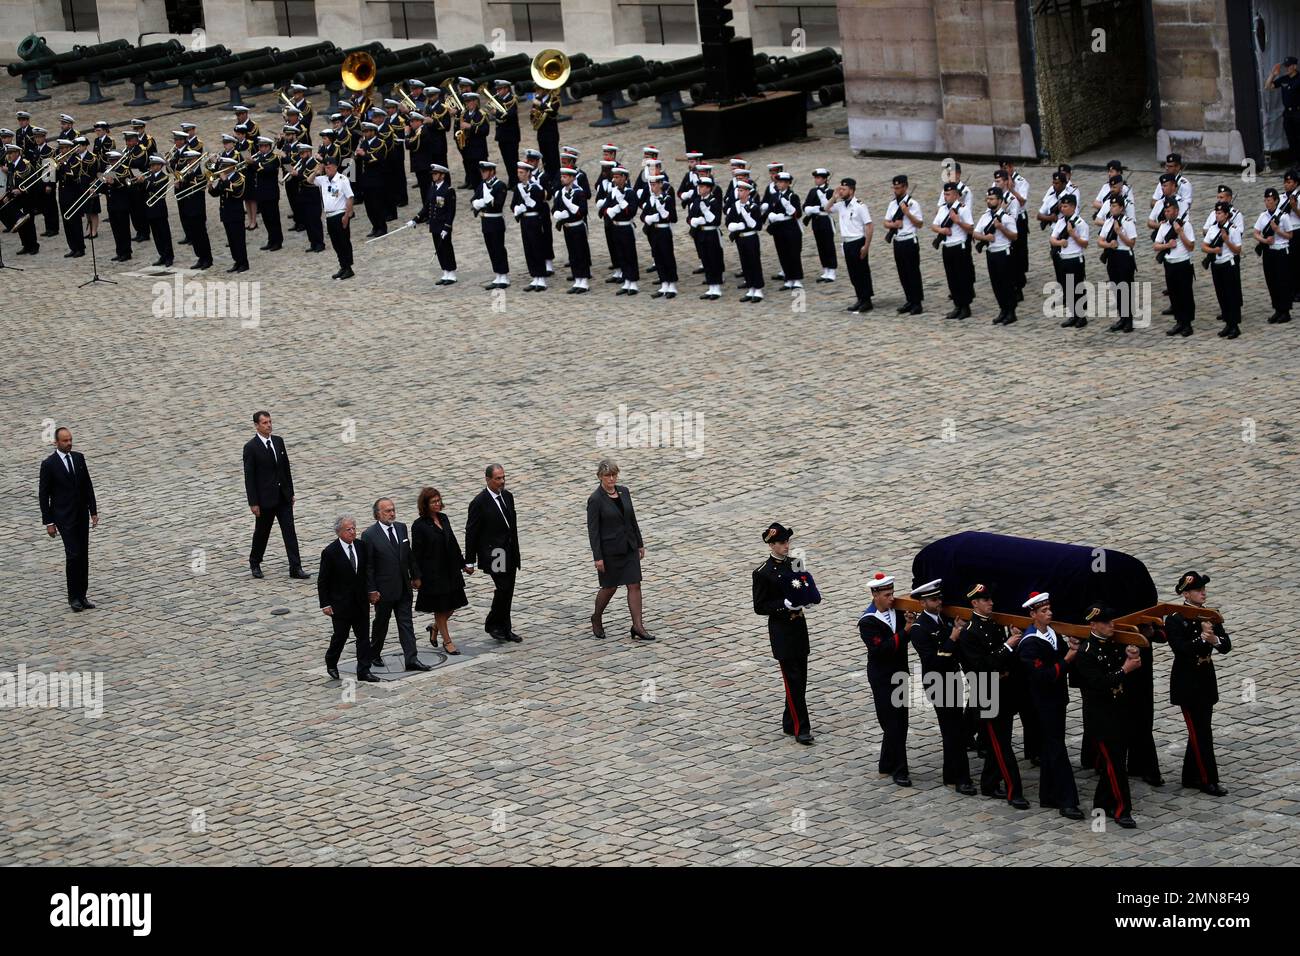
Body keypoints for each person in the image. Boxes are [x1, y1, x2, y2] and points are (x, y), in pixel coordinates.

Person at [956, 583, 1029, 809]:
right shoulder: (969, 634)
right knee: (1001, 745)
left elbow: (1005, 661)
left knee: (999, 741)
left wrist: (1011, 645)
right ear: (974, 603)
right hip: (986, 694)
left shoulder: (996, 626)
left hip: (1003, 691)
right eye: (985, 600)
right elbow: (979, 667)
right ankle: (1013, 790)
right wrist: (1007, 646)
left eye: (990, 599)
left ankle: (989, 783)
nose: (991, 603)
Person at [1073, 603, 1140, 828]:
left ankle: (1101, 802)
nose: (1111, 625)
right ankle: (1122, 809)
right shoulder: (1086, 653)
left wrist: (1131, 657)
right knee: (1116, 765)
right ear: (1093, 625)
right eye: (1105, 623)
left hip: (1118, 711)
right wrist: (1125, 669)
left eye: (1112, 621)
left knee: (1117, 760)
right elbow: (1099, 684)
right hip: (1101, 717)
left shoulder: (1112, 644)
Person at [1017, 591, 1083, 819]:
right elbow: (1043, 676)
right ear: (1033, 614)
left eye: (1049, 609)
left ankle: (1048, 795)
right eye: (1044, 611)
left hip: (1057, 699)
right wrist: (1067, 658)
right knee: (1056, 749)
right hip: (1042, 703)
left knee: (1050, 747)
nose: (1049, 613)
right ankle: (1067, 800)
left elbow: (1061, 654)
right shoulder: (1029, 644)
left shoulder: (1052, 633)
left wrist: (1070, 650)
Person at [905, 579, 975, 795]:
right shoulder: (919, 629)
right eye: (934, 599)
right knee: (952, 731)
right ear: (923, 603)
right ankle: (961, 778)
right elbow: (934, 661)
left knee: (954, 729)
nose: (939, 602)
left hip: (952, 679)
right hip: (937, 683)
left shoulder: (944, 620)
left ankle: (951, 775)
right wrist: (953, 637)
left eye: (940, 598)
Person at [1165, 571, 1231, 796]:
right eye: (1197, 590)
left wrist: (1214, 640)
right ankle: (1207, 780)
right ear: (1185, 593)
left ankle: (1189, 775)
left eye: (1203, 589)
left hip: (1206, 680)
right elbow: (1180, 649)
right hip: (1187, 683)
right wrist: (1201, 638)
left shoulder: (1210, 615)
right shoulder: (1175, 618)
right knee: (1201, 732)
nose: (1203, 593)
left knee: (1201, 729)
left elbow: (1226, 646)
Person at [752, 522, 818, 745]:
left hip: (798, 627)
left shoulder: (796, 564)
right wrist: (783, 604)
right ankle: (802, 727)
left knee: (801, 678)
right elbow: (760, 606)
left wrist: (807, 599)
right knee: (793, 680)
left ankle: (789, 722)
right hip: (782, 631)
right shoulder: (763, 573)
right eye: (781, 542)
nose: (786, 546)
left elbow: (805, 584)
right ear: (771, 545)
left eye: (787, 541)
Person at [361, 498, 431, 672]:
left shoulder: (401, 528)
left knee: (406, 623)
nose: (392, 513)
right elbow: (368, 566)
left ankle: (411, 658)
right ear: (377, 514)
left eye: (393, 510)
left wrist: (415, 576)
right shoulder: (369, 535)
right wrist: (371, 589)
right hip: (383, 590)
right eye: (387, 511)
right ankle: (374, 652)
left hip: (403, 586)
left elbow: (408, 555)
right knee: (381, 624)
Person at [586, 459, 651, 642]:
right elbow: (593, 531)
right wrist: (598, 557)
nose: (612, 479)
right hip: (610, 551)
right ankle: (596, 616)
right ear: (600, 477)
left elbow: (632, 519)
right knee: (610, 587)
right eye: (608, 476)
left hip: (629, 546)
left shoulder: (624, 491)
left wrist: (639, 542)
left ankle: (638, 626)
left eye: (614, 475)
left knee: (634, 584)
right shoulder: (595, 500)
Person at [858, 572, 911, 787]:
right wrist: (906, 630)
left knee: (901, 722)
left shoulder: (897, 611)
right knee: (891, 723)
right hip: (882, 678)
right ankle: (900, 770)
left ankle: (887, 762)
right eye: (887, 594)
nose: (891, 598)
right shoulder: (868, 621)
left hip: (900, 673)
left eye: (892, 593)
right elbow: (882, 649)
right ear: (875, 594)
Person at [38, 426, 99, 612]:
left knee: (83, 555)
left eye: (70, 439)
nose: (69, 443)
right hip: (63, 518)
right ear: (56, 442)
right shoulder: (49, 464)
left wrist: (93, 511)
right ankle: (73, 597)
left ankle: (83, 595)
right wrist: (49, 522)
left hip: (81, 515)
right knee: (73, 555)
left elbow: (87, 485)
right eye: (65, 440)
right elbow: (43, 495)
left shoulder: (79, 458)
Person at [243, 410, 309, 580]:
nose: (269, 425)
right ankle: (255, 561)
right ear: (257, 425)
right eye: (264, 423)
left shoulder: (278, 442)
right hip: (265, 500)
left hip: (283, 497)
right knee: (262, 532)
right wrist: (253, 502)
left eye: (270, 421)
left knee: (290, 532)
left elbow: (286, 469)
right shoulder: (251, 448)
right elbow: (249, 478)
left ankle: (295, 567)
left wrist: (291, 492)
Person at [317, 516, 380, 683]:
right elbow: (323, 580)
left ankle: (364, 670)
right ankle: (331, 661)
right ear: (339, 532)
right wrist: (325, 604)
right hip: (341, 604)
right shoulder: (330, 552)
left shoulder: (361, 546)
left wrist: (372, 590)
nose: (353, 532)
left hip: (360, 602)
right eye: (349, 529)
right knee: (340, 636)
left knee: (363, 638)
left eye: (354, 528)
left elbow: (367, 571)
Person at [464, 463, 522, 643]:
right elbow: (471, 532)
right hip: (495, 552)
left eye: (503, 477)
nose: (502, 481)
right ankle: (492, 623)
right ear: (488, 480)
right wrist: (469, 560)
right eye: (498, 479)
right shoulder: (479, 503)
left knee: (508, 590)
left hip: (510, 551)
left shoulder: (507, 496)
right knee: (503, 588)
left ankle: (506, 628)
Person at [412, 487, 472, 655]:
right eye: (433, 502)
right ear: (425, 504)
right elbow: (415, 553)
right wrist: (415, 575)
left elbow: (452, 542)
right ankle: (447, 641)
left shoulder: (444, 518)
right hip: (433, 573)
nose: (437, 504)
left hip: (450, 569)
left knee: (453, 605)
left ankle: (435, 627)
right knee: (441, 607)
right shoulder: (419, 525)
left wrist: (463, 564)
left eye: (438, 501)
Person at [828, 176, 879, 314]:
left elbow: (869, 226)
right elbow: (826, 209)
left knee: (862, 272)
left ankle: (867, 300)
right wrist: (834, 197)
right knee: (853, 273)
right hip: (847, 243)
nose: (841, 191)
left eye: (844, 189)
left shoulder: (860, 206)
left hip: (858, 242)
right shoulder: (840, 205)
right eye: (841, 188)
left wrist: (866, 246)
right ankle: (859, 298)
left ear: (851, 190)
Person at [973, 186, 1020, 326]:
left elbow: (1014, 236)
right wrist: (986, 238)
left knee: (1006, 283)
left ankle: (1011, 311)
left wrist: (1001, 228)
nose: (989, 201)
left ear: (1000, 201)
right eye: (988, 198)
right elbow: (975, 234)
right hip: (991, 252)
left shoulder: (1006, 218)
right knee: (996, 283)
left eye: (992, 199)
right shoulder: (985, 216)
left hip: (1003, 252)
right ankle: (1002, 309)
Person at [1154, 196, 1196, 336]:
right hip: (1169, 264)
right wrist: (1167, 245)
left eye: (1169, 210)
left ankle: (1187, 324)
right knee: (1174, 294)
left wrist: (1180, 232)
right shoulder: (1164, 225)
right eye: (1165, 210)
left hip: (1183, 264)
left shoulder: (1185, 225)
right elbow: (1156, 245)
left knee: (1185, 294)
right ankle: (1178, 321)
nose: (1167, 213)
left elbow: (1191, 246)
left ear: (1176, 211)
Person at [1097, 192, 1138, 332]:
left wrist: (1120, 233)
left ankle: (1129, 320)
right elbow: (1100, 241)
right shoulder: (1108, 222)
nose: (1112, 208)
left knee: (1126, 288)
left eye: (1115, 206)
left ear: (1121, 208)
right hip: (1112, 256)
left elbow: (1132, 242)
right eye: (1111, 206)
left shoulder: (1127, 222)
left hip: (1124, 256)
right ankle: (1122, 317)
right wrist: (1109, 245)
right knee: (1116, 288)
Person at [933, 181, 974, 320]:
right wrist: (941, 230)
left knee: (962, 277)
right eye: (944, 194)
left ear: (956, 195)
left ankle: (965, 306)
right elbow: (934, 225)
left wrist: (957, 221)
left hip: (959, 246)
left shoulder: (963, 208)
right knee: (952, 278)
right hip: (947, 247)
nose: (946, 197)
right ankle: (957, 305)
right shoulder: (943, 209)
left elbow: (970, 229)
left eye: (948, 194)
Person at [410, 162, 457, 285]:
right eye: (433, 174)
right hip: (434, 224)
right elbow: (427, 207)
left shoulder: (448, 190)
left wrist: (447, 227)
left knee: (447, 248)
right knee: (439, 249)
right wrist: (416, 219)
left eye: (436, 174)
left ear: (442, 175)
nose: (433, 176)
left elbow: (451, 211)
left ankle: (451, 272)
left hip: (443, 224)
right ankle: (445, 272)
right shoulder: (432, 188)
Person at [1202, 200, 1243, 338]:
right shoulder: (1213, 229)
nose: (1217, 215)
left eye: (1220, 213)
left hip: (1228, 264)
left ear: (1226, 215)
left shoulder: (1233, 229)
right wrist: (1213, 249)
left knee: (1231, 295)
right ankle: (1227, 323)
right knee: (1221, 295)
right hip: (1216, 265)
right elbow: (1204, 246)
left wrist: (1226, 240)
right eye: (1216, 213)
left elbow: (1237, 250)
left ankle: (1234, 325)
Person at [1050, 192, 1089, 328]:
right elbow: (1052, 238)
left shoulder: (1080, 223)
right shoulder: (1061, 222)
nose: (1062, 208)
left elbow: (1085, 244)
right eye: (1062, 206)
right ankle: (1073, 315)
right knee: (1067, 288)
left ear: (1073, 207)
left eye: (1065, 206)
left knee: (1077, 288)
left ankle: (1081, 316)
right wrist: (1060, 242)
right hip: (1063, 259)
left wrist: (1073, 235)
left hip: (1075, 259)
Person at [313, 155, 354, 280]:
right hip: (329, 216)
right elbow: (310, 181)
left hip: (340, 214)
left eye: (330, 167)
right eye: (326, 168)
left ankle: (348, 268)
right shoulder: (323, 179)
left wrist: (347, 215)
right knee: (336, 243)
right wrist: (316, 171)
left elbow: (350, 197)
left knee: (344, 242)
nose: (327, 170)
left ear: (336, 167)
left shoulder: (342, 179)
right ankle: (342, 266)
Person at [552, 165, 591, 294]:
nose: (562, 179)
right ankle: (577, 278)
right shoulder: (561, 192)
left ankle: (584, 280)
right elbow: (555, 208)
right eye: (562, 176)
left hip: (577, 226)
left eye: (565, 177)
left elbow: (583, 211)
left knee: (581, 253)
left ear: (572, 178)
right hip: (567, 227)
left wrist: (570, 210)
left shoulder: (579, 192)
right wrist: (558, 214)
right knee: (572, 254)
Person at [513, 159, 551, 291]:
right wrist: (517, 209)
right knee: (528, 248)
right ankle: (534, 276)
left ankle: (541, 278)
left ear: (528, 173)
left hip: (534, 220)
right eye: (518, 172)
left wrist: (529, 205)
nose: (519, 175)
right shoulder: (518, 188)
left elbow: (540, 205)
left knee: (537, 248)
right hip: (525, 221)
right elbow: (513, 204)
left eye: (522, 172)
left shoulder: (535, 188)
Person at [471, 159, 510, 288]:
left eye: (485, 171)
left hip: (495, 220)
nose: (483, 173)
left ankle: (503, 276)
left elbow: (498, 203)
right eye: (482, 171)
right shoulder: (482, 184)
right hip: (486, 221)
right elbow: (474, 200)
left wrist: (481, 203)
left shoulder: (500, 185)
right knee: (491, 249)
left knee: (498, 248)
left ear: (492, 171)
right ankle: (497, 274)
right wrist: (478, 203)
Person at [726, 179, 765, 303]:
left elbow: (758, 225)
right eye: (738, 190)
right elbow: (728, 220)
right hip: (740, 238)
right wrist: (734, 226)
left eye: (742, 190)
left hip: (751, 237)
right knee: (745, 263)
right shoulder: (735, 205)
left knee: (754, 262)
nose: (739, 192)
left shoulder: (753, 207)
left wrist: (747, 219)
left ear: (748, 192)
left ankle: (758, 289)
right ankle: (750, 287)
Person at [641, 173, 678, 299]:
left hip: (664, 231)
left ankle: (672, 284)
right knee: (657, 257)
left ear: (661, 184)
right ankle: (664, 283)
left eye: (655, 184)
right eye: (651, 184)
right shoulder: (650, 199)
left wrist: (663, 211)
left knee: (667, 256)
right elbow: (642, 215)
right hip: (653, 231)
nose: (653, 187)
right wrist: (648, 218)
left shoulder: (667, 199)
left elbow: (673, 218)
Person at [687, 176, 725, 299]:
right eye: (699, 186)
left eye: (702, 186)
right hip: (700, 234)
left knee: (714, 259)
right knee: (706, 260)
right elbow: (690, 216)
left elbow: (716, 220)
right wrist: (694, 221)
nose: (700, 189)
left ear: (709, 188)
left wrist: (706, 215)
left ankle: (717, 287)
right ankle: (710, 286)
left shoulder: (714, 201)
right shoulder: (697, 200)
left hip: (711, 234)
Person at [803, 167, 837, 282]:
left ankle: (832, 270)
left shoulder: (830, 192)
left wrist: (821, 205)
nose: (816, 180)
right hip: (816, 221)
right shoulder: (812, 191)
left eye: (818, 178)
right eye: (815, 178)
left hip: (825, 220)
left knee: (828, 245)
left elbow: (830, 208)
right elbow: (805, 206)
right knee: (820, 245)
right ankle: (825, 269)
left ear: (825, 179)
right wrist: (814, 209)